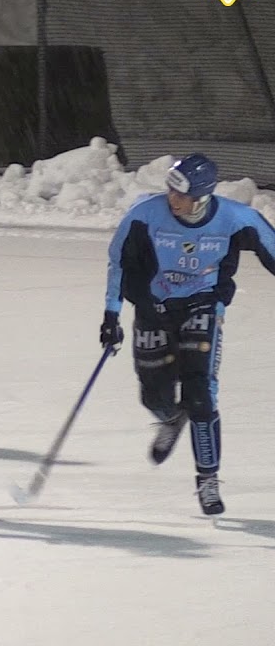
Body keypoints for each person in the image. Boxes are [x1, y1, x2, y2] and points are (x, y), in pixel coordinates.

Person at [101, 153, 275, 516]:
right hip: (154, 308)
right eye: (170, 191)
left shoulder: (236, 218)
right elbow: (119, 260)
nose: (172, 200)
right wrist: (111, 314)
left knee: (200, 394)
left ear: (203, 197)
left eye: (181, 195)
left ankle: (207, 478)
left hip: (203, 305)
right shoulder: (144, 214)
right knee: (154, 392)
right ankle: (169, 417)